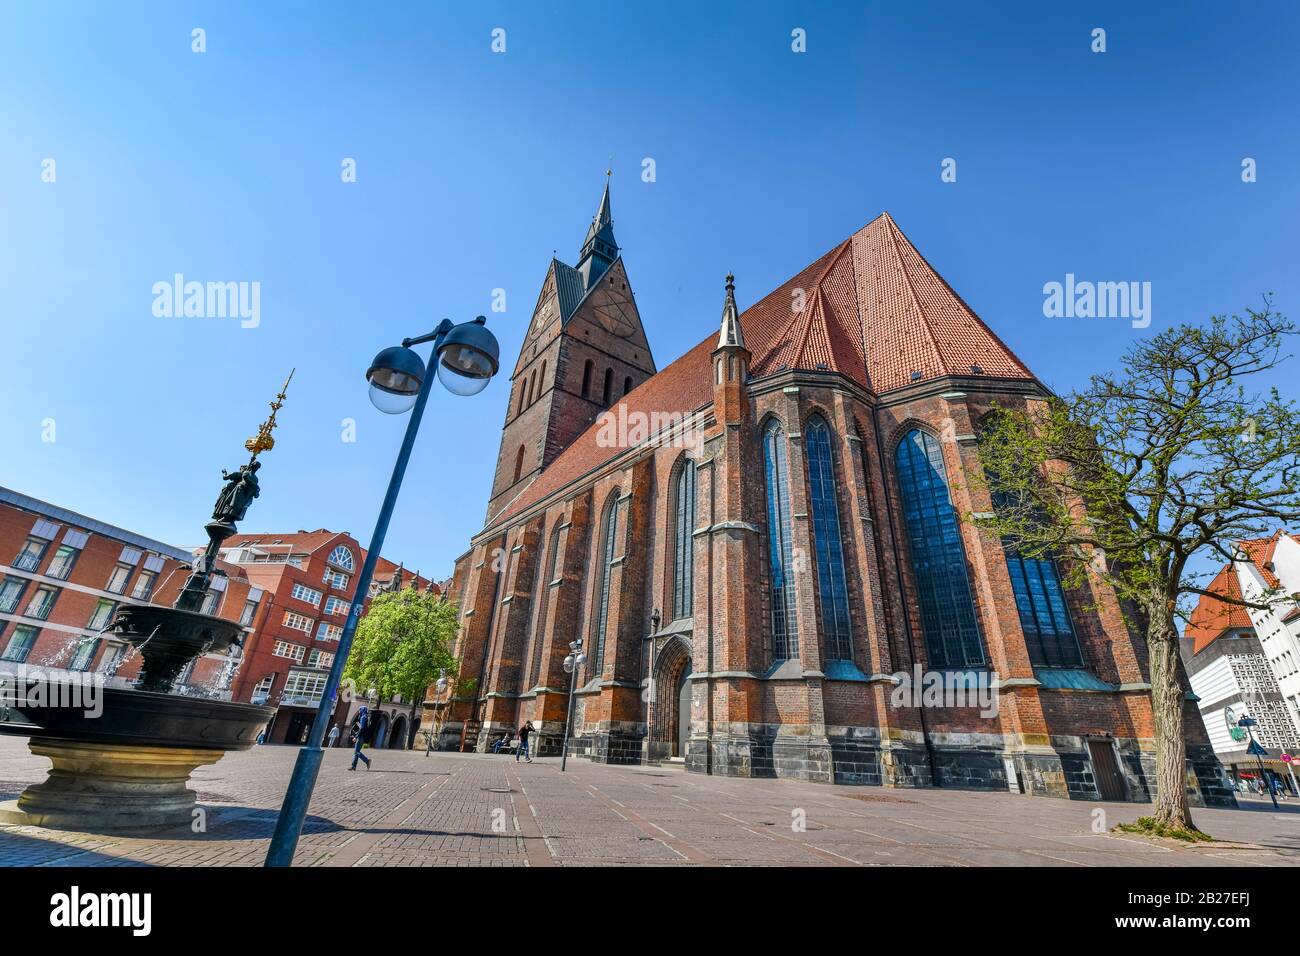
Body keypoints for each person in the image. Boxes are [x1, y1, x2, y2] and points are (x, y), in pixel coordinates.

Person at [350, 706, 372, 771]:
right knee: (356, 751)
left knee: (356, 752)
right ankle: (353, 766)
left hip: (361, 736)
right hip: (363, 736)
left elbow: (362, 728)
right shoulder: (366, 717)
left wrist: (356, 736)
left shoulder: (363, 717)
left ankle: (367, 761)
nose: (359, 711)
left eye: (360, 709)